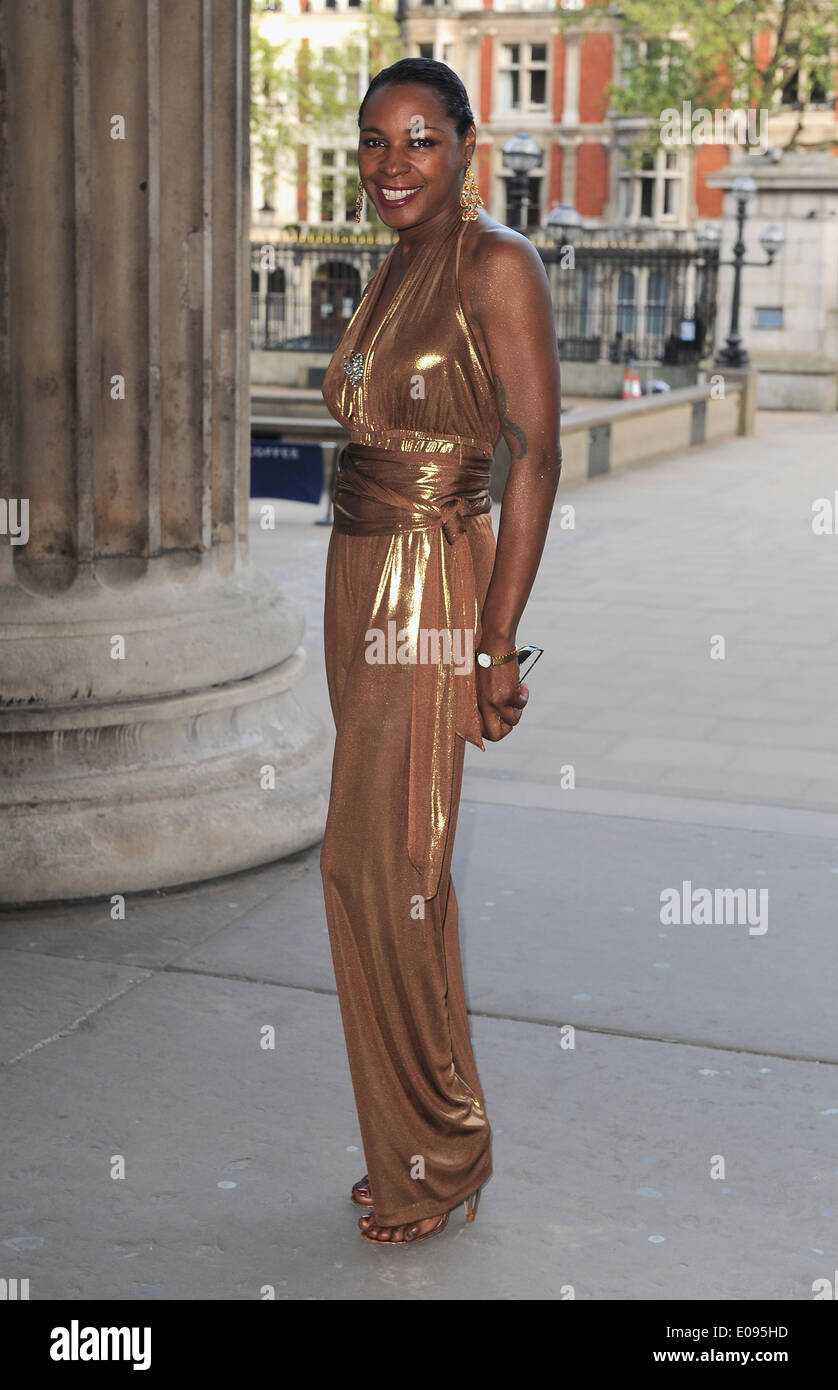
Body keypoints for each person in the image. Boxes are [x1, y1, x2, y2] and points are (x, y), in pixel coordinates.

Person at [319, 57, 562, 1246]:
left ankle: (439, 1148)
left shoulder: (493, 261)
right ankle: (413, 1136)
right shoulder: (397, 261)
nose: (392, 164)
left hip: (424, 581)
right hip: (358, 572)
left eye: (418, 139)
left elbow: (536, 454)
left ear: (468, 142)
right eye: (373, 141)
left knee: (390, 869)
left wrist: (496, 638)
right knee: (371, 867)